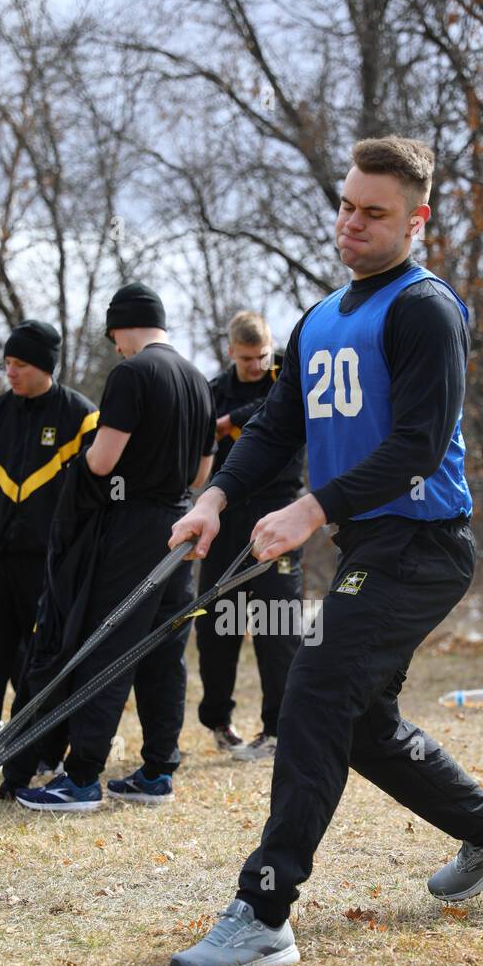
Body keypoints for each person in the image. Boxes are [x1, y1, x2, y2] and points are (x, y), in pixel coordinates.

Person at [167, 134, 483, 966]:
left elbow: (416, 445)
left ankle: (265, 909)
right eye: (345, 206)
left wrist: (312, 507)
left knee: (311, 690)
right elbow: (276, 426)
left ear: (417, 219)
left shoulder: (425, 309)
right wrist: (216, 498)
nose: (352, 224)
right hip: (370, 543)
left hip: (423, 544)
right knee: (360, 724)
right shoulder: (322, 317)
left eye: (374, 213)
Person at [5, 281, 214, 812]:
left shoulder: (133, 372)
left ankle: (81, 778)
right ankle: (158, 769)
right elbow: (201, 471)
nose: (114, 346)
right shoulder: (198, 379)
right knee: (165, 650)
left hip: (135, 527)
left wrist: (81, 478)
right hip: (183, 518)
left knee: (109, 646)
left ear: (122, 327)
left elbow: (101, 461)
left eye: (112, 336)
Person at [0, 322, 98, 776]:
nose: (10, 372)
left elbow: (94, 498)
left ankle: (46, 748)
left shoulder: (81, 416)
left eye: (21, 364)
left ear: (45, 366)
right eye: (8, 363)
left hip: (49, 562)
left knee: (45, 657)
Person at [196, 310, 305, 760]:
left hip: (279, 512)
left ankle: (277, 728)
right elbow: (199, 430)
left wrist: (228, 421)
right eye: (247, 359)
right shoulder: (213, 390)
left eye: (262, 355)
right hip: (227, 518)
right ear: (231, 353)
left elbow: (276, 408)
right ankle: (219, 722)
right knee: (216, 625)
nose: (257, 365)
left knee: (276, 624)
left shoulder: (288, 375)